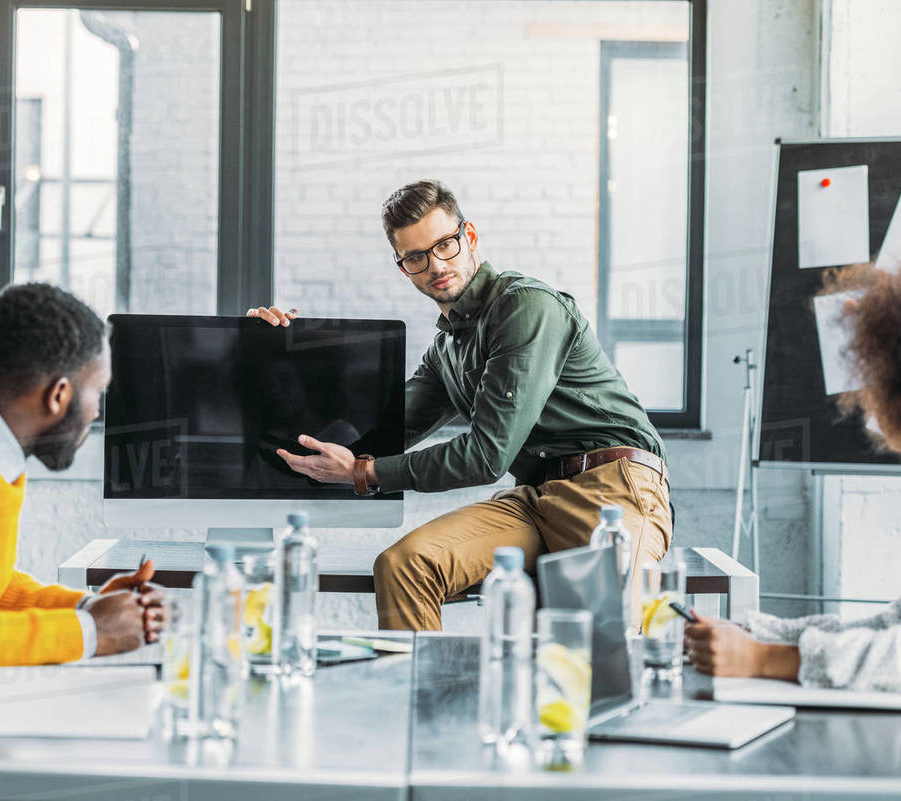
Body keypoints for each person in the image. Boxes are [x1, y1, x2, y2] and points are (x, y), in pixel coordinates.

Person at [250, 179, 672, 630]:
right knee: (404, 566)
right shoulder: (446, 350)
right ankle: (429, 699)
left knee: (611, 655)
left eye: (445, 245)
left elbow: (488, 456)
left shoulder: (524, 307)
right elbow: (371, 430)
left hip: (611, 489)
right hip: (536, 498)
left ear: (469, 238)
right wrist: (275, 345)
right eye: (416, 256)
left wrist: (366, 473)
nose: (435, 265)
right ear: (404, 268)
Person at [685, 262, 901, 703]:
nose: (869, 409)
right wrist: (758, 633)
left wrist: (762, 659)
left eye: (879, 387)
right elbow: (898, 622)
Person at [0, 283, 164, 665]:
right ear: (58, 396)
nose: (97, 413)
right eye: (98, 393)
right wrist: (90, 632)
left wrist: (90, 607)